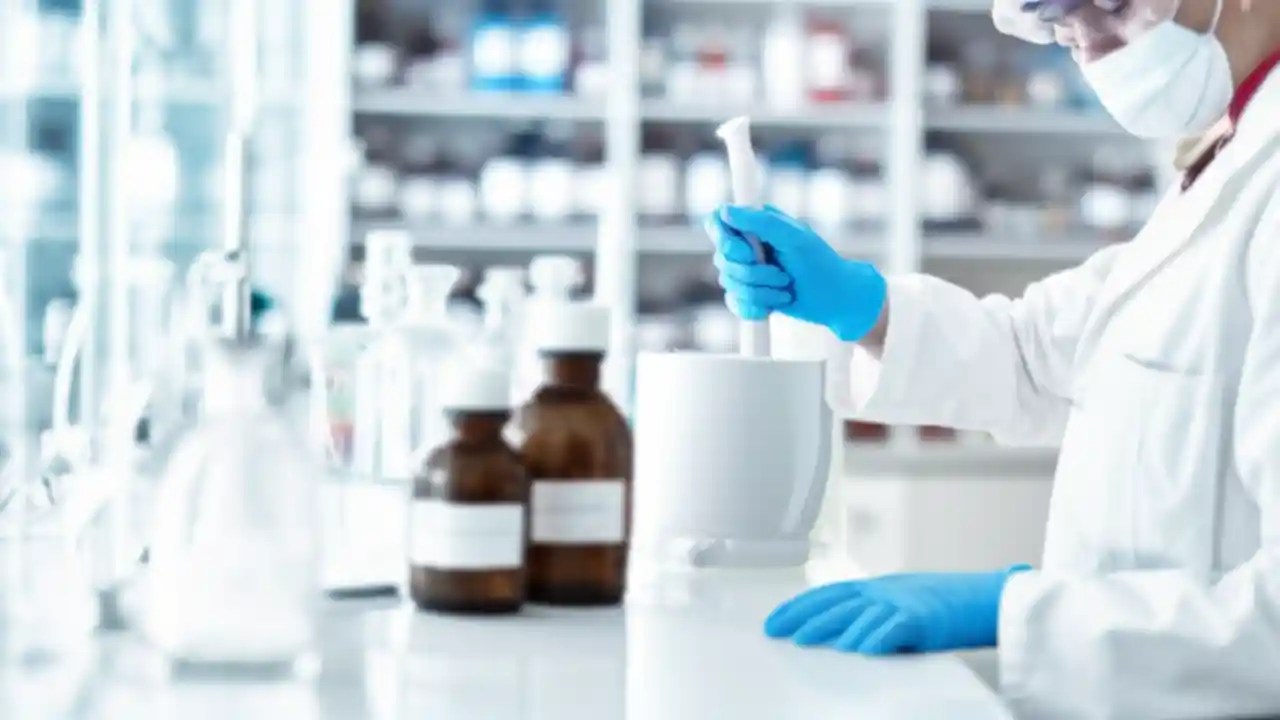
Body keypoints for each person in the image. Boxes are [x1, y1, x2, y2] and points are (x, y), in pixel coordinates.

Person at [706, 0, 1280, 717]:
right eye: (1067, 33)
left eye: (1113, 9)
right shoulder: (1230, 149)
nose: (1098, 52)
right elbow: (1043, 356)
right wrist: (859, 306)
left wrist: (1016, 613)